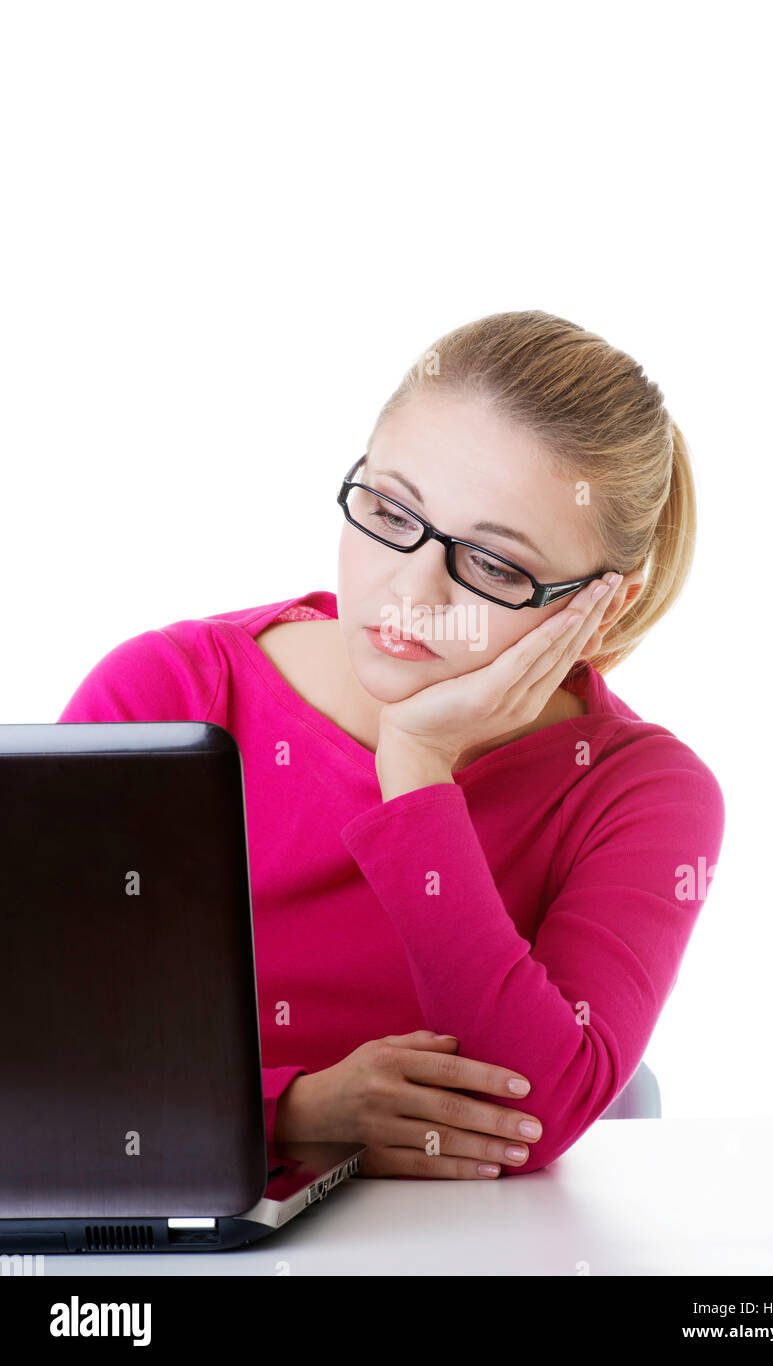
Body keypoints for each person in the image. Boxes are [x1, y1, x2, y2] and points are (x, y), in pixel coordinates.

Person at [57, 309, 725, 1180]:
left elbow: (532, 1115)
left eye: (492, 565)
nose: (409, 591)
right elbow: (34, 1053)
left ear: (608, 602)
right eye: (389, 510)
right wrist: (290, 1111)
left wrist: (415, 768)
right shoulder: (171, 695)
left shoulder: (641, 791)